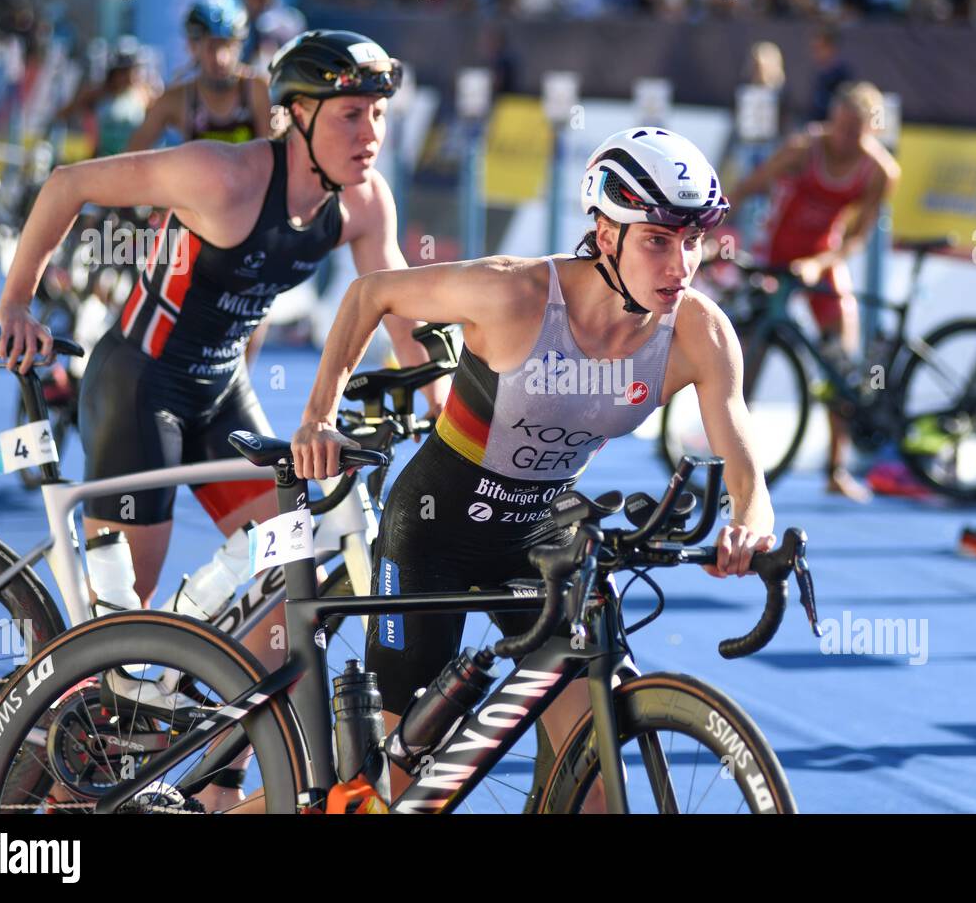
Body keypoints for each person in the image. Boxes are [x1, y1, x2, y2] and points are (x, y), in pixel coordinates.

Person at [0, 30, 447, 808]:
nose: (370, 135)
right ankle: (55, 798)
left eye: (377, 114)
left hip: (220, 390)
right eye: (350, 116)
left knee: (288, 565)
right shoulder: (223, 174)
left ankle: (218, 776)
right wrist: (16, 302)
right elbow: (69, 183)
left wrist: (440, 403)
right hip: (140, 386)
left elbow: (398, 310)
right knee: (123, 649)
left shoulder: (364, 202)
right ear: (295, 117)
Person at [291, 126, 775, 809]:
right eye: (658, 241)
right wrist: (318, 415)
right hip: (435, 530)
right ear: (606, 236)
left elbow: (745, 459)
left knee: (598, 788)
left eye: (692, 241)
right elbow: (370, 292)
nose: (681, 266)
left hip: (540, 542)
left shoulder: (700, 331)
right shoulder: (515, 295)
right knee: (385, 793)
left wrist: (748, 524)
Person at [728, 81, 900, 503]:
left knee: (840, 361)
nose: (843, 139)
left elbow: (855, 239)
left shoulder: (880, 172)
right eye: (839, 128)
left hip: (820, 262)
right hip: (776, 254)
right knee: (747, 360)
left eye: (854, 132)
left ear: (871, 130)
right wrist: (711, 225)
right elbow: (751, 186)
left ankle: (836, 468)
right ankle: (730, 463)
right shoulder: (804, 148)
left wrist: (818, 265)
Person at [126, 0, 271, 150]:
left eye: (228, 45)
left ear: (240, 45)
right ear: (193, 47)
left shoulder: (258, 89)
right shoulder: (177, 99)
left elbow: (275, 155)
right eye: (211, 47)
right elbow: (129, 157)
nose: (221, 58)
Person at [56, 37, 154, 158]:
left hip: (134, 162)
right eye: (123, 72)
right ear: (113, 73)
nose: (128, 76)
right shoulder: (98, 94)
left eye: (132, 71)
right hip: (102, 159)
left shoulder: (144, 95)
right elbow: (65, 113)